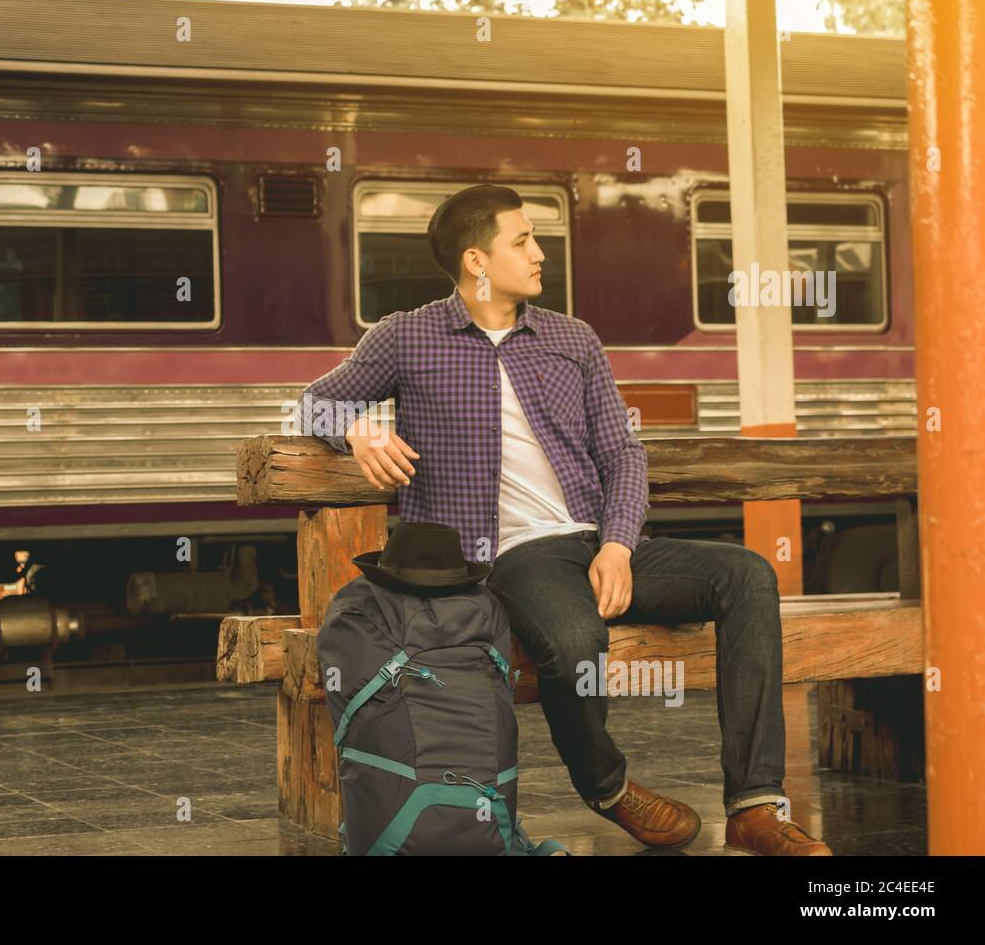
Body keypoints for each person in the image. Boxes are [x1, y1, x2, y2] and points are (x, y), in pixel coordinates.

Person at [296, 183, 830, 856]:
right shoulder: (409, 336)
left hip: (594, 543)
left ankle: (754, 807)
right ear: (475, 261)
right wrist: (359, 433)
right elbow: (312, 405)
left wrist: (617, 545)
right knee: (578, 642)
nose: (539, 253)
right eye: (521, 240)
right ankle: (609, 788)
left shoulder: (571, 339)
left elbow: (623, 454)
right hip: (508, 556)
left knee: (748, 574)